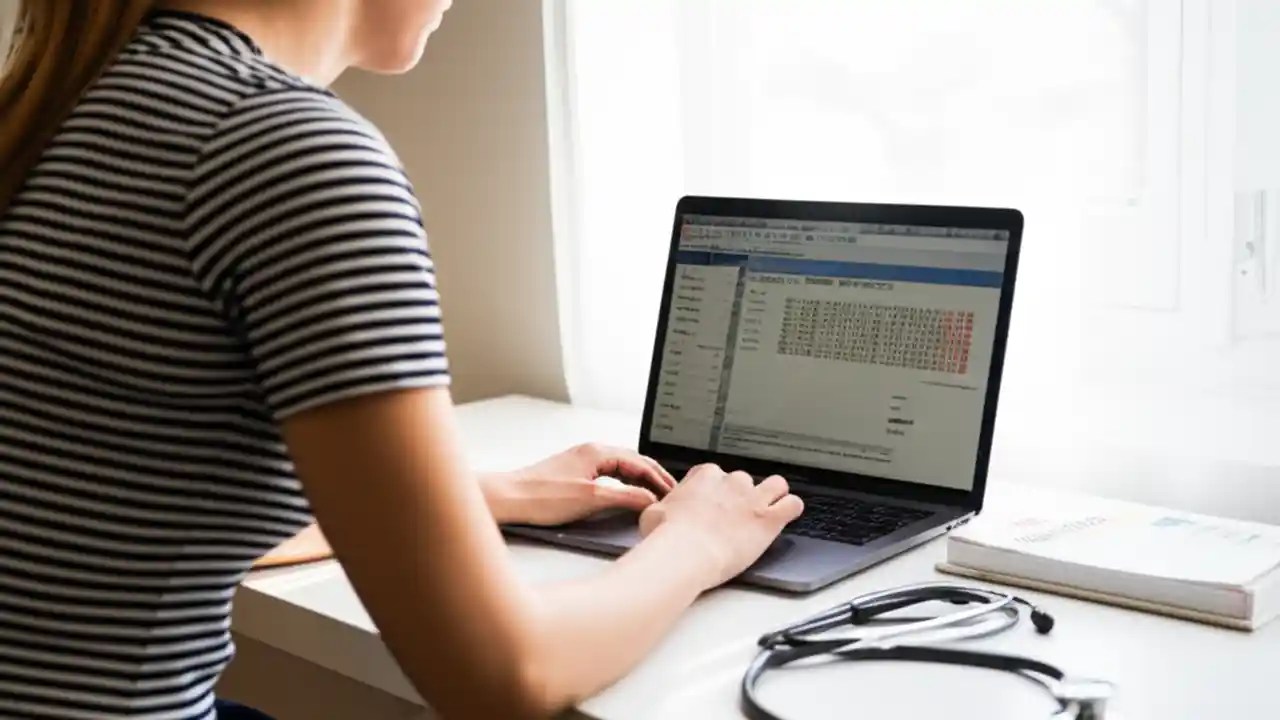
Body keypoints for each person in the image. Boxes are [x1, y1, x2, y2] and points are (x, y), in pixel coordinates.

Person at [0, 1, 804, 718]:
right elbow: (501, 677)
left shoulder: (77, 107)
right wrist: (699, 541)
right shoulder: (283, 152)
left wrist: (488, 495)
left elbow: (123, 506)